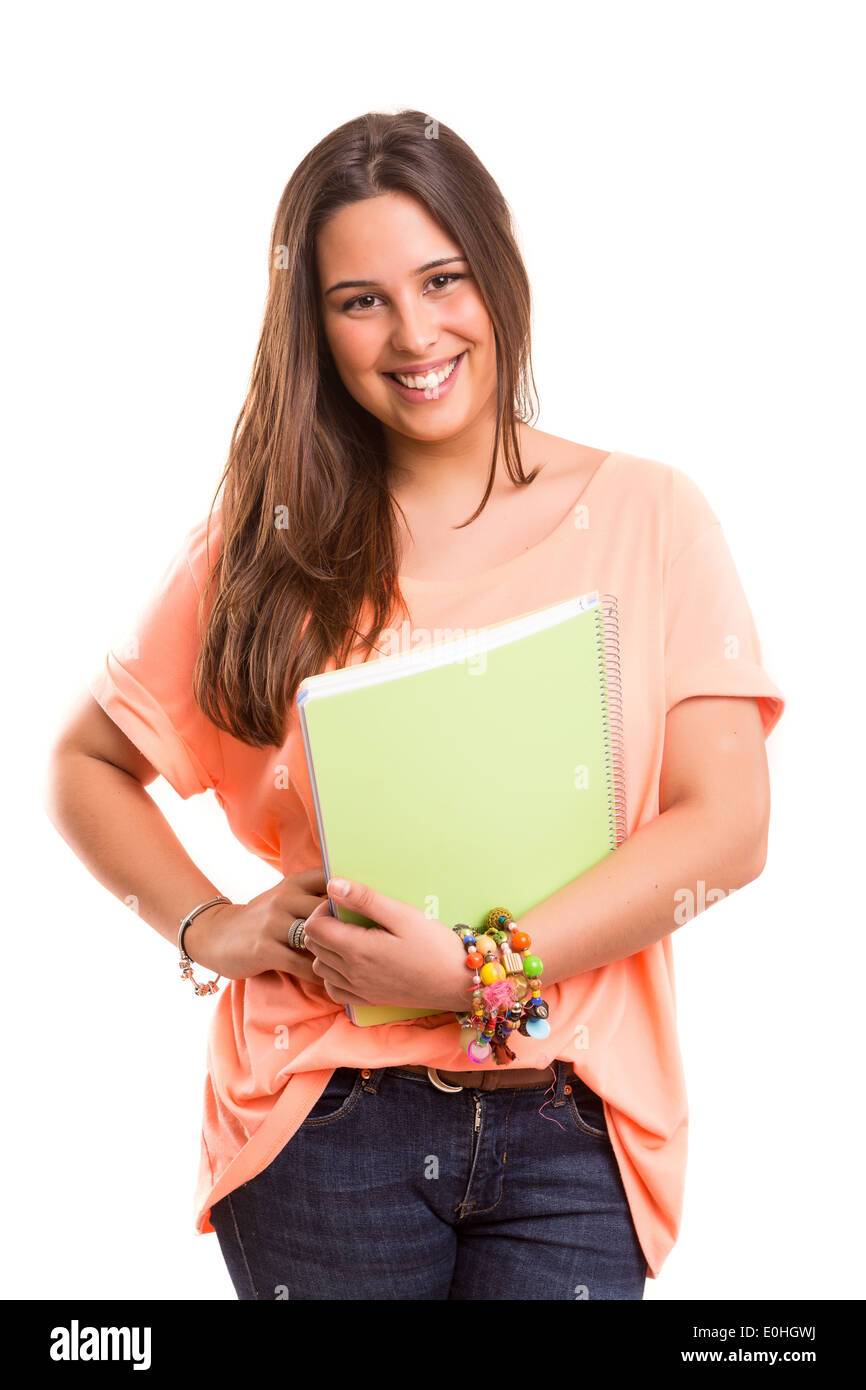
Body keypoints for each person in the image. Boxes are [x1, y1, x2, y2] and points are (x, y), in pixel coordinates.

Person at [44, 109, 785, 1301]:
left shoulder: (650, 514)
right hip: (320, 1118)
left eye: (441, 279)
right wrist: (205, 927)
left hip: (570, 1121)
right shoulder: (260, 544)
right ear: (314, 325)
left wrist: (487, 970)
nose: (414, 333)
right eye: (360, 299)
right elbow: (80, 763)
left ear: (496, 276)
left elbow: (727, 825)